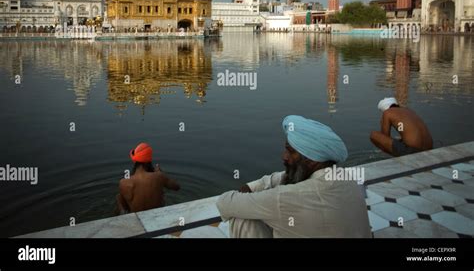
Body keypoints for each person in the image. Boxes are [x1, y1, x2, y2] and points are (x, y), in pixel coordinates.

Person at [216, 115, 371, 238]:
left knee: (243, 217)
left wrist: (252, 195)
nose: (284, 157)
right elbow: (286, 175)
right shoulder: (348, 178)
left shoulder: (285, 198)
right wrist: (252, 186)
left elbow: (224, 203)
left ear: (311, 158)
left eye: (290, 151)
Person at [116, 143, 180, 214]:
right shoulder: (158, 176)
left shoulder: (124, 182)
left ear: (135, 161)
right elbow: (177, 187)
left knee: (119, 197)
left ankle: (123, 214)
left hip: (137, 216)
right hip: (157, 214)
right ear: (148, 162)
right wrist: (161, 173)